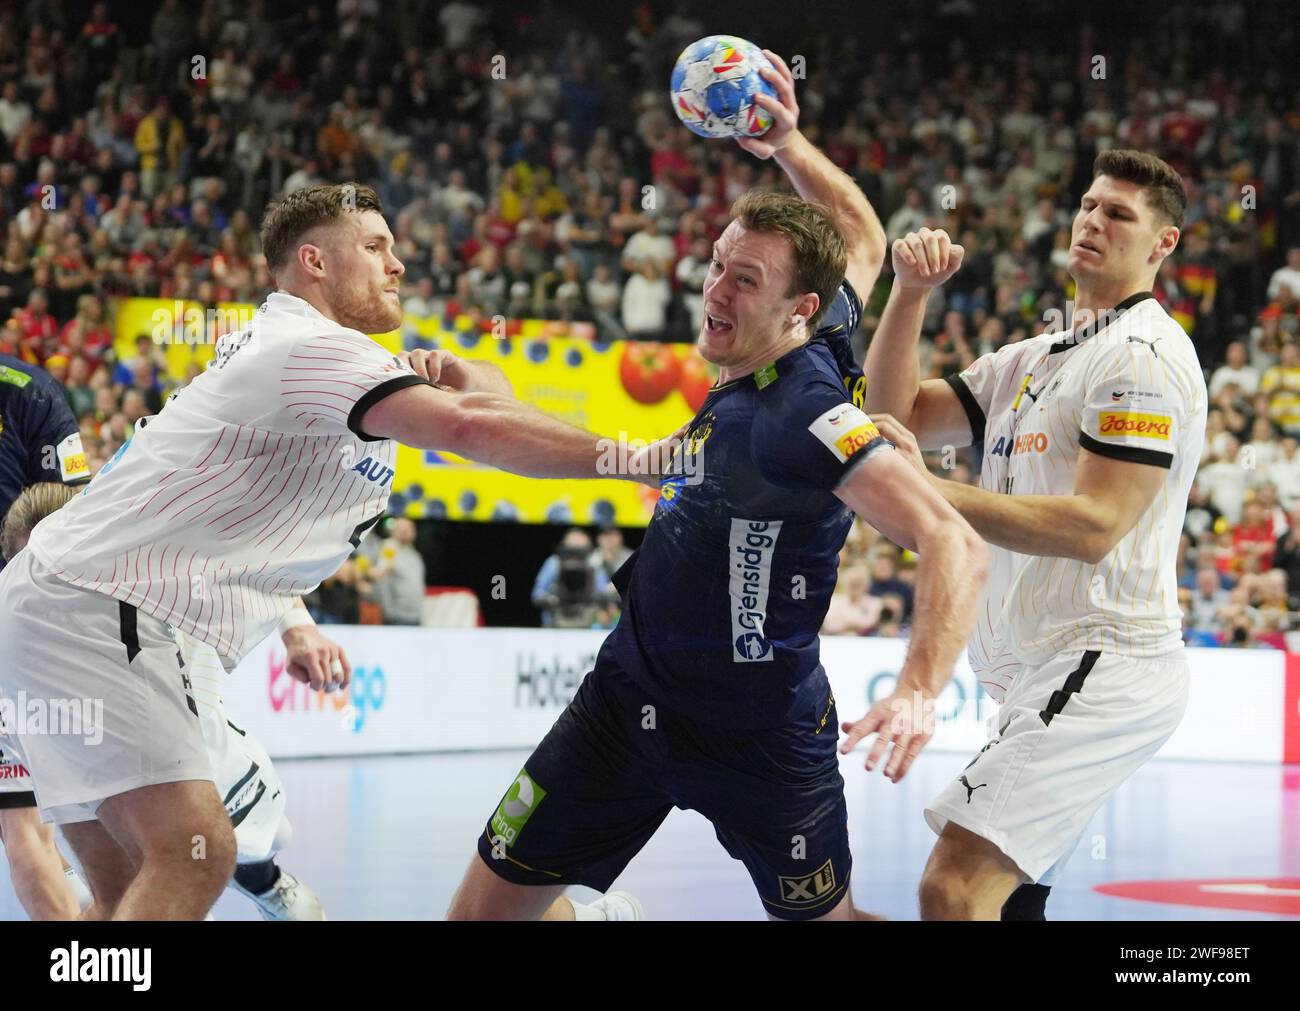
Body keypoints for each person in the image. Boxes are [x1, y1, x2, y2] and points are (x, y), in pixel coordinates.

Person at [0, 182, 671, 920]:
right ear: (315, 261)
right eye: (376, 246)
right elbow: (477, 428)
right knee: (196, 846)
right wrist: (650, 458)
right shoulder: (312, 348)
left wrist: (479, 383)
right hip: (103, 604)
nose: (398, 265)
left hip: (58, 605)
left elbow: (481, 416)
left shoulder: (306, 362)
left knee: (128, 883)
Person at [447, 52, 987, 922]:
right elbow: (862, 234)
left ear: (796, 310)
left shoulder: (807, 415)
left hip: (763, 735)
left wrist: (920, 686)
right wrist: (789, 143)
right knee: (479, 918)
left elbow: (952, 538)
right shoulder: (810, 328)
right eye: (717, 264)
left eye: (745, 279)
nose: (715, 290)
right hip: (625, 703)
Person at [862, 149, 1207, 920]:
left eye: (1118, 214)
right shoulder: (1038, 354)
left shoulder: (1141, 356)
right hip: (1037, 669)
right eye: (1088, 205)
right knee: (1007, 903)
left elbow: (1095, 526)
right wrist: (909, 295)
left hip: (1103, 660)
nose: (1092, 221)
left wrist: (923, 489)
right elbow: (898, 419)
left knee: (953, 888)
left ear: (1163, 244)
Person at [1, 482, 329, 921]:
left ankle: (262, 879)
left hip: (201, 741)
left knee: (215, 853)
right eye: (32, 566)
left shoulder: (142, 551)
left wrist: (296, 626)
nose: (47, 581)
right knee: (146, 880)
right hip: (94, 753)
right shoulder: (19, 633)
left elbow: (241, 551)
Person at [0, 356, 92, 919]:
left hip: (19, 620)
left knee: (26, 815)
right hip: (24, 626)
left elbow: (74, 502)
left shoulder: (26, 391)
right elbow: (80, 509)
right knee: (25, 819)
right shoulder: (30, 389)